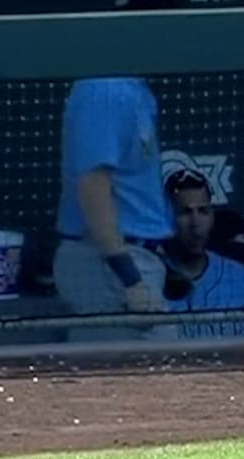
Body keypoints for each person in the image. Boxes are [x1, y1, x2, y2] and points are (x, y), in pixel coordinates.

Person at [52, 75, 174, 341]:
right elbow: (93, 184)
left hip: (128, 259)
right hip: (108, 263)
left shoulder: (132, 88)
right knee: (136, 375)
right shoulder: (106, 88)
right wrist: (130, 277)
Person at [160, 169, 244, 339]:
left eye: (203, 211)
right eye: (185, 212)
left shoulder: (243, 280)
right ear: (167, 219)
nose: (195, 223)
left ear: (212, 216)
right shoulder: (150, 280)